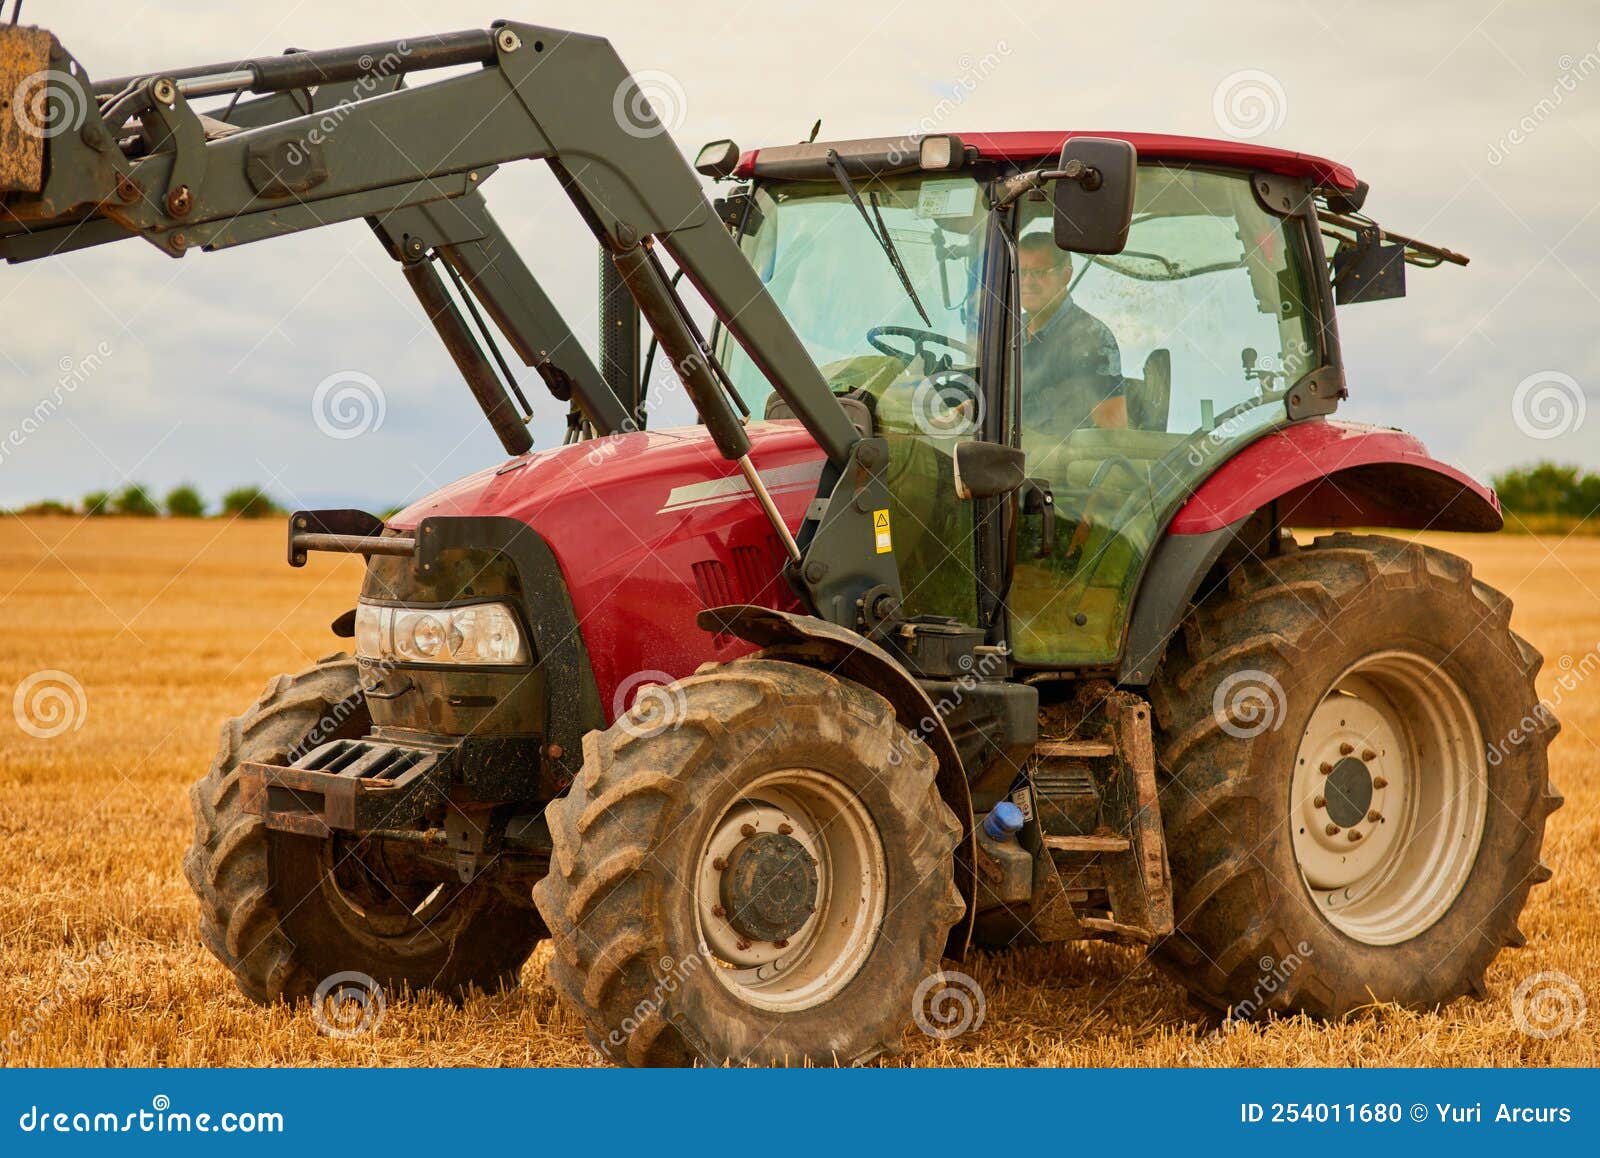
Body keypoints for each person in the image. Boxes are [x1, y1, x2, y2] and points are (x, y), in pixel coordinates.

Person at [1017, 232, 1126, 433]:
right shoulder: (1007, 331)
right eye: (1021, 272)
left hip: (1059, 460)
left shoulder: (1091, 338)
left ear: (1065, 276)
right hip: (1006, 453)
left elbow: (1111, 430)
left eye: (1039, 273)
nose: (1027, 282)